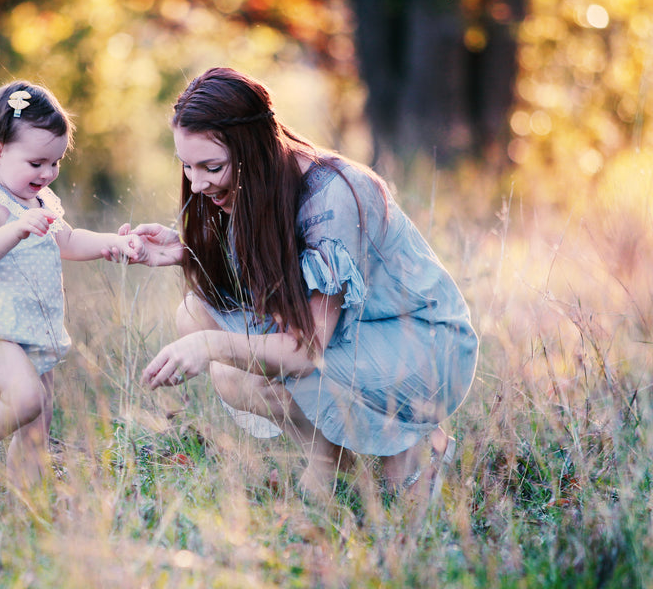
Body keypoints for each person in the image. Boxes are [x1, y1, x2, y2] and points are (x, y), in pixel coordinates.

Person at [119, 67, 478, 501]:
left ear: (252, 148)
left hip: (423, 348)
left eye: (211, 166)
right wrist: (186, 253)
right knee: (195, 316)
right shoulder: (252, 187)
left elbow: (304, 349)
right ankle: (342, 461)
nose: (196, 184)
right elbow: (268, 297)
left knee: (229, 364)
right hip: (353, 338)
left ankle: (399, 452)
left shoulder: (333, 195)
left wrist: (208, 347)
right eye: (187, 167)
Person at [0, 80, 145, 490]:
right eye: (36, 163)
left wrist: (112, 245)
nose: (47, 173)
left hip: (33, 328)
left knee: (39, 418)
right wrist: (15, 230)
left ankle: (23, 493)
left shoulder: (41, 202)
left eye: (56, 162)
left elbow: (65, 239)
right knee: (25, 398)